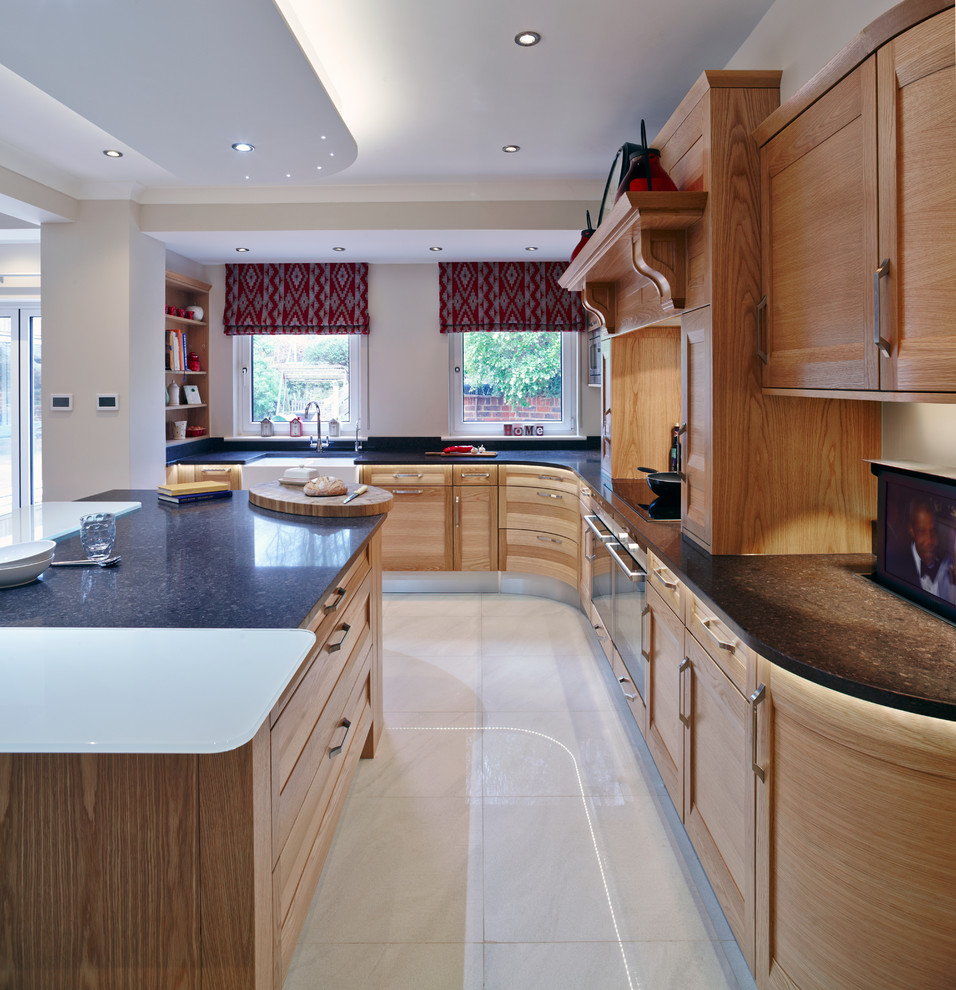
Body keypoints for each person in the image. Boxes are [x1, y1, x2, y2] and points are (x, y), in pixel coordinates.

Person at [892, 497, 956, 603]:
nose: (929, 540)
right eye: (922, 531)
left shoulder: (945, 566)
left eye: (933, 531)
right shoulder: (896, 567)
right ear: (912, 531)